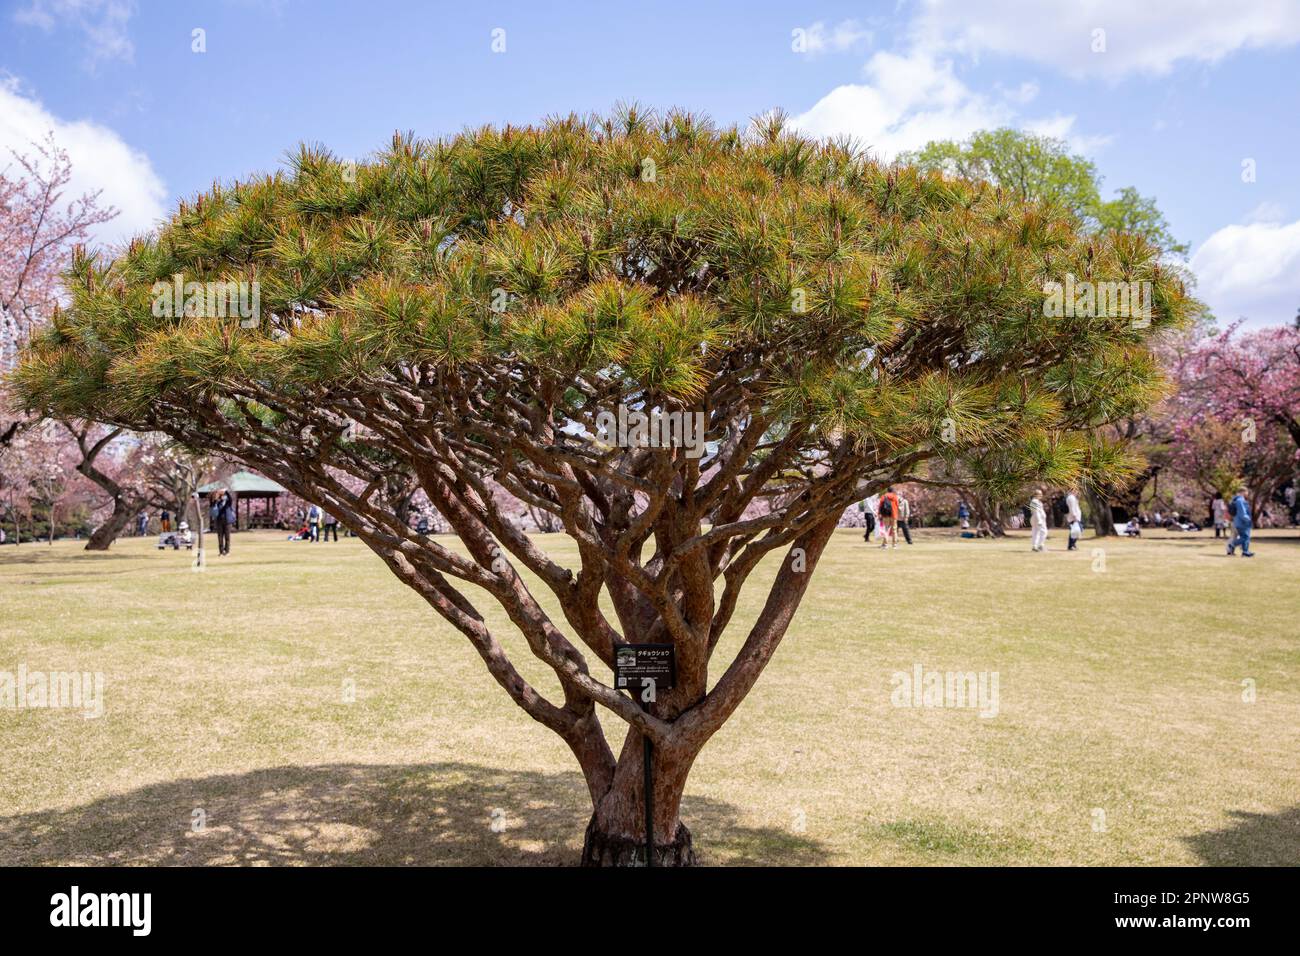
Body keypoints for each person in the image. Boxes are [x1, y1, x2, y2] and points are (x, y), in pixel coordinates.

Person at [1226, 486, 1255, 557]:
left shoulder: (1237, 500)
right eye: (1247, 492)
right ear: (1243, 492)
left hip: (1239, 521)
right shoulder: (1240, 500)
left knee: (1246, 537)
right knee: (1245, 537)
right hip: (1242, 522)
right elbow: (1242, 512)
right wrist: (1247, 519)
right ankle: (1232, 544)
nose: (1247, 493)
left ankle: (1245, 552)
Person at [210, 489, 235, 556]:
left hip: (227, 522)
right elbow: (212, 503)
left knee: (227, 537)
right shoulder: (218, 503)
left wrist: (226, 491)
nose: (223, 497)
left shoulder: (228, 503)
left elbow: (230, 498)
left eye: (224, 496)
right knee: (220, 537)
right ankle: (221, 551)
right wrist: (216, 494)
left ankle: (227, 551)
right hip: (219, 521)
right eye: (222, 496)